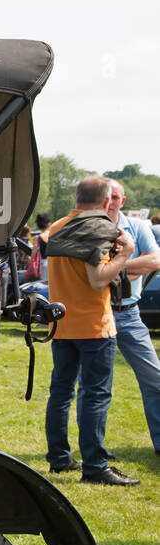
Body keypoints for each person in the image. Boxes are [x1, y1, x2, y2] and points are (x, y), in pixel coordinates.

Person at [44, 176, 137, 485]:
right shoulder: (96, 228)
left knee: (60, 393)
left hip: (62, 322)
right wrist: (125, 254)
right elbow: (98, 279)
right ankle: (95, 466)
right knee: (94, 395)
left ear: (77, 196)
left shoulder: (57, 227)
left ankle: (59, 459)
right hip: (94, 325)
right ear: (106, 200)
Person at [105, 180, 160, 457]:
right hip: (99, 313)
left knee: (155, 378)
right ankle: (94, 451)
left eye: (115, 197)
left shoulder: (138, 228)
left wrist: (117, 268)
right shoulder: (92, 228)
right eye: (107, 196)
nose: (111, 201)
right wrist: (130, 268)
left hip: (130, 313)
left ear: (122, 200)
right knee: (96, 387)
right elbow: (91, 274)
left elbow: (155, 261)